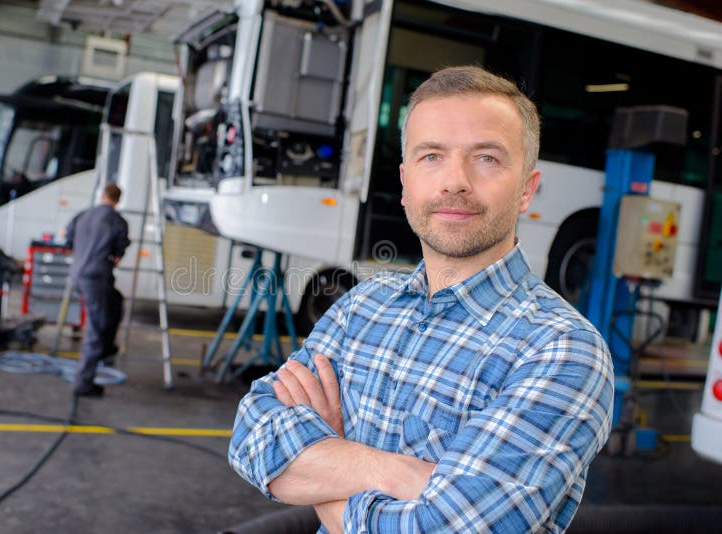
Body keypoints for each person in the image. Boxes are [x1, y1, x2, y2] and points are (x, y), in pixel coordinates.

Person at [228, 66, 614, 533]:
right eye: (432, 156)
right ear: (406, 182)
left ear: (527, 190)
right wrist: (396, 473)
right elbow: (251, 433)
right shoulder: (361, 307)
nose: (455, 181)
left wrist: (323, 462)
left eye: (487, 158)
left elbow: (449, 529)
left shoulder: (562, 350)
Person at [65, 183, 130, 398]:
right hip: (96, 277)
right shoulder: (117, 221)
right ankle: (84, 382)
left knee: (116, 302)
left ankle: (106, 349)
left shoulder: (82, 215)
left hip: (78, 273)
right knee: (95, 327)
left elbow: (68, 240)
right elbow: (118, 256)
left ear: (103, 196)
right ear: (118, 200)